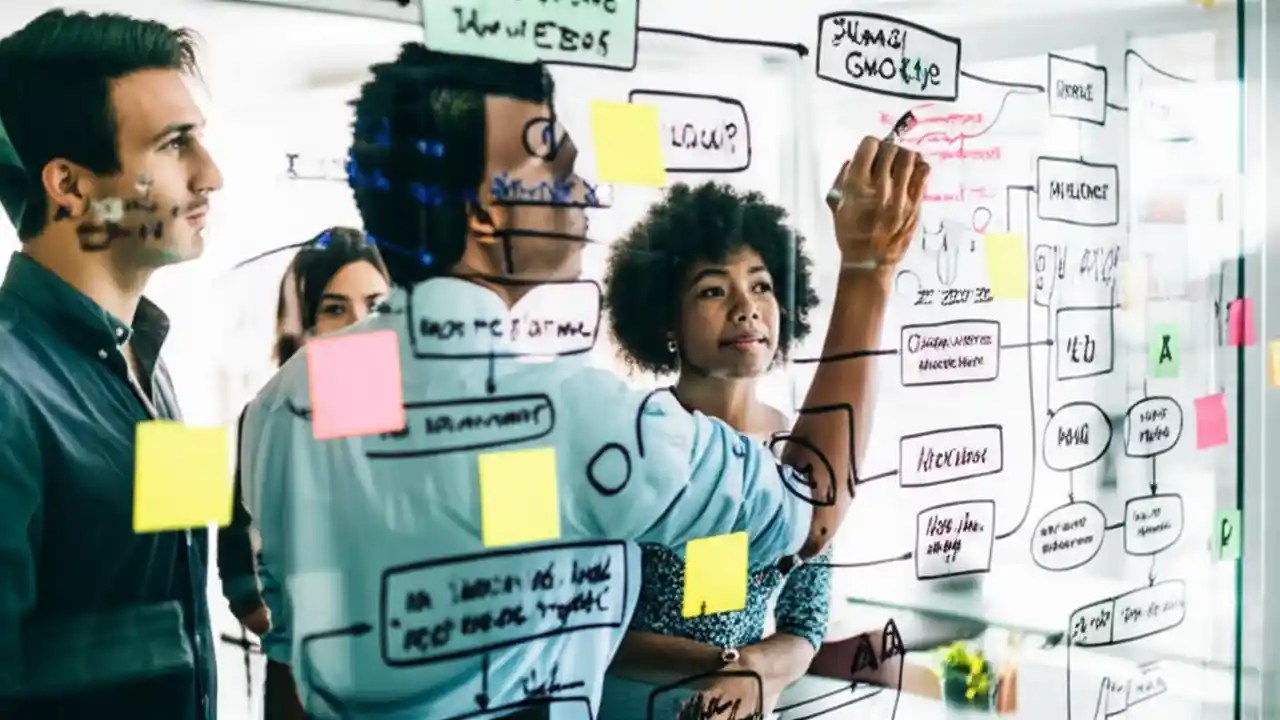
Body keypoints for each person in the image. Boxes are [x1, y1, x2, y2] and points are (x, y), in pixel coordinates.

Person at [238, 45, 928, 719]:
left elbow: (294, 660)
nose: (583, 187)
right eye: (551, 159)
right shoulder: (570, 419)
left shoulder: (292, 398)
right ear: (484, 215)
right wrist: (869, 269)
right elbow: (812, 511)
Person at [0, 9, 222, 719]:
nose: (210, 175)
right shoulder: (8, 390)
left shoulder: (148, 361)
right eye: (173, 144)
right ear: (69, 185)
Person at [599, 182, 829, 718]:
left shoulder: (801, 450)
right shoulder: (635, 439)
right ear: (666, 320)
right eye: (712, 291)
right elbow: (591, 626)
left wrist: (753, 671)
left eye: (763, 286)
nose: (747, 309)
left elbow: (806, 624)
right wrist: (731, 662)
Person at [217, 226, 391, 720]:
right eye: (336, 308)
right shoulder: (272, 413)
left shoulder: (431, 412)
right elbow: (234, 532)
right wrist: (264, 617)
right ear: (306, 319)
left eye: (375, 305)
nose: (360, 323)